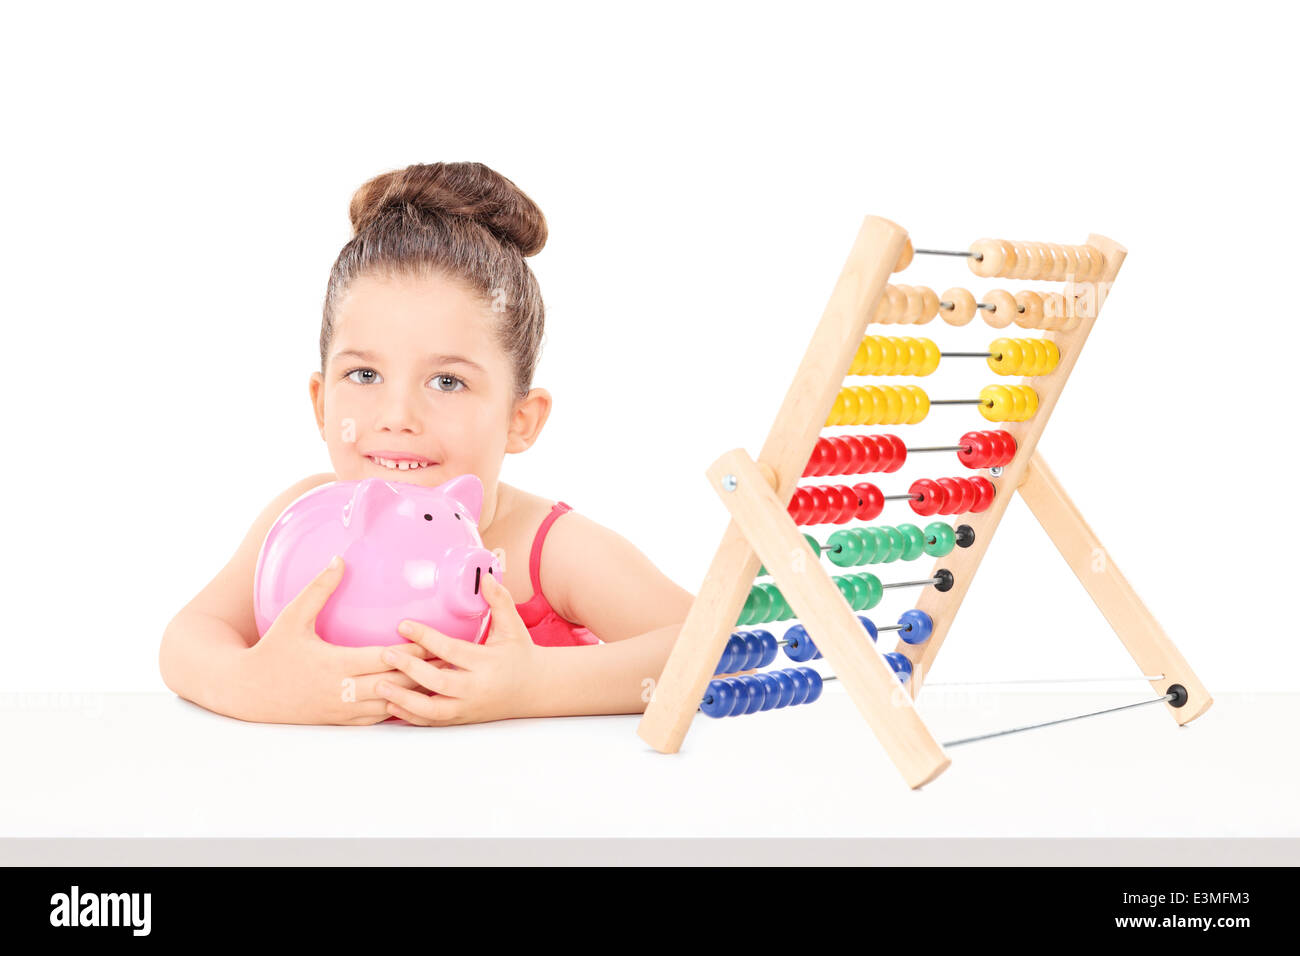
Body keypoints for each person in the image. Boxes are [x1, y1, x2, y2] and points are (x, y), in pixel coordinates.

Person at [158, 162, 695, 726]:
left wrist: (535, 685)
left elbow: (716, 647)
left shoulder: (551, 552)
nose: (397, 418)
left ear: (521, 418)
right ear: (321, 404)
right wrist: (253, 685)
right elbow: (187, 640)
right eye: (364, 375)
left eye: (447, 382)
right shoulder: (305, 522)